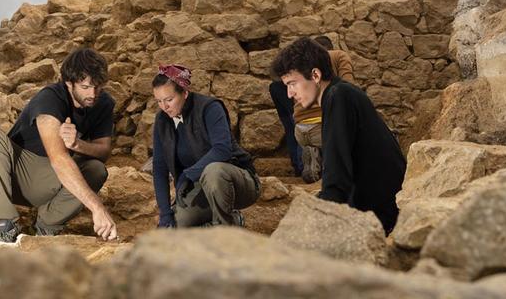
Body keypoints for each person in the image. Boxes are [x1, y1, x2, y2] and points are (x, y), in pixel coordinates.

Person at [0, 48, 117, 242]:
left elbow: (104, 150)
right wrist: (97, 208)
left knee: (96, 169)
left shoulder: (103, 103)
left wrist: (77, 144)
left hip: (50, 182)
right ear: (69, 83)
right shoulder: (50, 97)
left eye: (98, 87)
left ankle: (47, 227)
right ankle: (2, 229)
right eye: (85, 87)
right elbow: (58, 158)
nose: (93, 93)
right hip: (17, 175)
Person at [272, 37, 406, 234]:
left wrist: (305, 226)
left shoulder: (338, 97)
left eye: (292, 83)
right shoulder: (339, 93)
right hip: (375, 209)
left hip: (379, 217)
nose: (289, 94)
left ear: (315, 75)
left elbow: (337, 181)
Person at [151, 64, 260, 228]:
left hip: (236, 183)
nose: (164, 107)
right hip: (199, 188)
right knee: (171, 231)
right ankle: (231, 222)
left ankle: (224, 228)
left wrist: (188, 175)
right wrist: (165, 214)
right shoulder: (162, 120)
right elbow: (159, 168)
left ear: (185, 93)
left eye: (169, 100)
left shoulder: (210, 108)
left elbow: (222, 150)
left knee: (213, 171)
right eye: (159, 101)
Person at [269, 36, 354, 183]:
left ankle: (308, 154)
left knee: (295, 128)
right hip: (322, 127)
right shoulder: (339, 55)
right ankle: (332, 167)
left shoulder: (301, 66)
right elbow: (349, 87)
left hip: (300, 128)